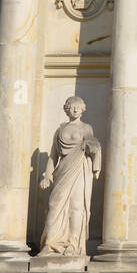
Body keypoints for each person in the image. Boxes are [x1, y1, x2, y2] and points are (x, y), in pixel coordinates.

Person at [39, 96, 102, 256]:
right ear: (66, 109)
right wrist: (47, 175)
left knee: (76, 207)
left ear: (82, 109)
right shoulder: (60, 130)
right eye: (72, 107)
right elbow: (53, 155)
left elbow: (93, 146)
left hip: (80, 169)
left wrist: (93, 150)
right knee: (55, 207)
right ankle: (50, 243)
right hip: (62, 171)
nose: (75, 110)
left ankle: (73, 245)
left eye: (78, 107)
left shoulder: (87, 128)